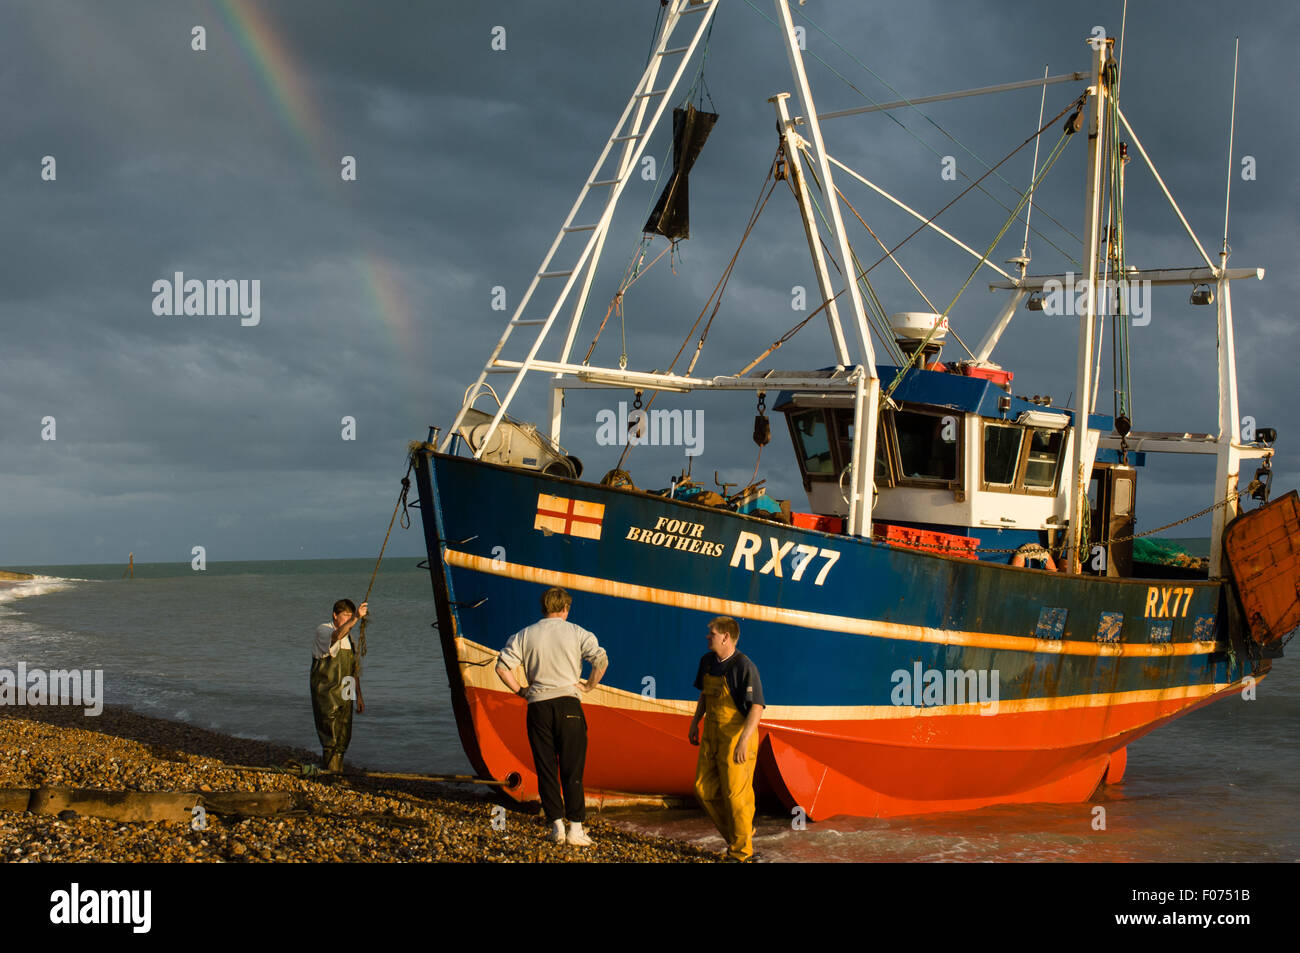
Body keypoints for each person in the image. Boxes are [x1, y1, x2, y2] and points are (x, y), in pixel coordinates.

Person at [495, 587, 608, 847]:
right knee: (573, 769)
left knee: (546, 768)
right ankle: (576, 829)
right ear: (566, 608)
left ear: (543, 607)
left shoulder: (525, 634)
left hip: (538, 707)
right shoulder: (578, 632)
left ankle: (556, 826)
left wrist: (522, 690)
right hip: (569, 704)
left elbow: (502, 667)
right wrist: (588, 686)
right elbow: (601, 661)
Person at [688, 616, 765, 862]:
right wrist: (694, 722)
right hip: (712, 734)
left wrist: (744, 740)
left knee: (735, 796)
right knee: (703, 789)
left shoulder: (744, 666)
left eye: (711, 633)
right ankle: (742, 834)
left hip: (737, 736)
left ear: (726, 637)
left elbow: (757, 707)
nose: (707, 636)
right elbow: (704, 695)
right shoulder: (707, 661)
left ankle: (741, 853)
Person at [311, 598, 367, 773]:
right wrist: (355, 618)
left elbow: (353, 669)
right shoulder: (324, 629)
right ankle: (331, 773)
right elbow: (336, 636)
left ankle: (337, 770)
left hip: (346, 690)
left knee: (344, 734)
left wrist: (358, 695)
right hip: (327, 690)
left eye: (350, 615)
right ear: (335, 615)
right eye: (345, 615)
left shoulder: (349, 638)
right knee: (331, 733)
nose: (348, 618)